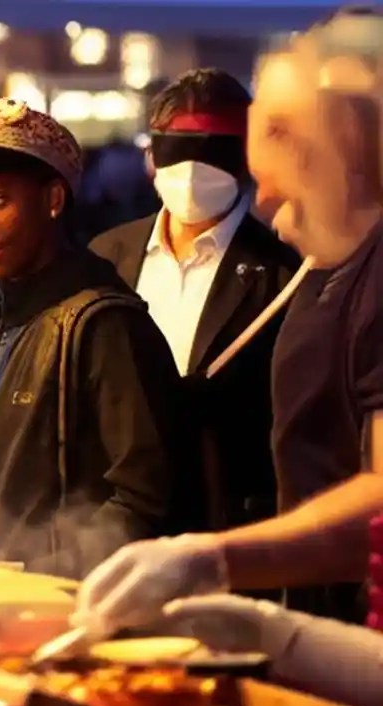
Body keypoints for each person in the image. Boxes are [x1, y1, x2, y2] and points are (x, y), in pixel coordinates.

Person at [73, 5, 383, 635]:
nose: (262, 197)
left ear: (349, 136)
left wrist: (215, 558)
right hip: (321, 613)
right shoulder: (327, 269)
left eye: (277, 137)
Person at [0, 98, 186, 579]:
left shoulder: (103, 324)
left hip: (41, 615)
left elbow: (142, 502)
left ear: (53, 200)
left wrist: (38, 584)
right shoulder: (2, 316)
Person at [91, 69, 300, 533]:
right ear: (152, 155)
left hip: (228, 524)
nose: (192, 172)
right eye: (176, 149)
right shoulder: (106, 257)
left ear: (247, 156)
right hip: (110, 525)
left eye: (216, 151)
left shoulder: (288, 272)